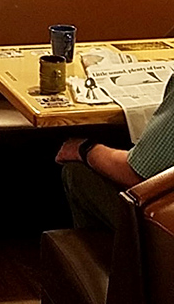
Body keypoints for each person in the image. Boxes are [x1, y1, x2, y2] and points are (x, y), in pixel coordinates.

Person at [56, 73, 174, 231]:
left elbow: (135, 174)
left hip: (164, 225)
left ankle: (119, 253)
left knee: (76, 173)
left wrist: (84, 149)